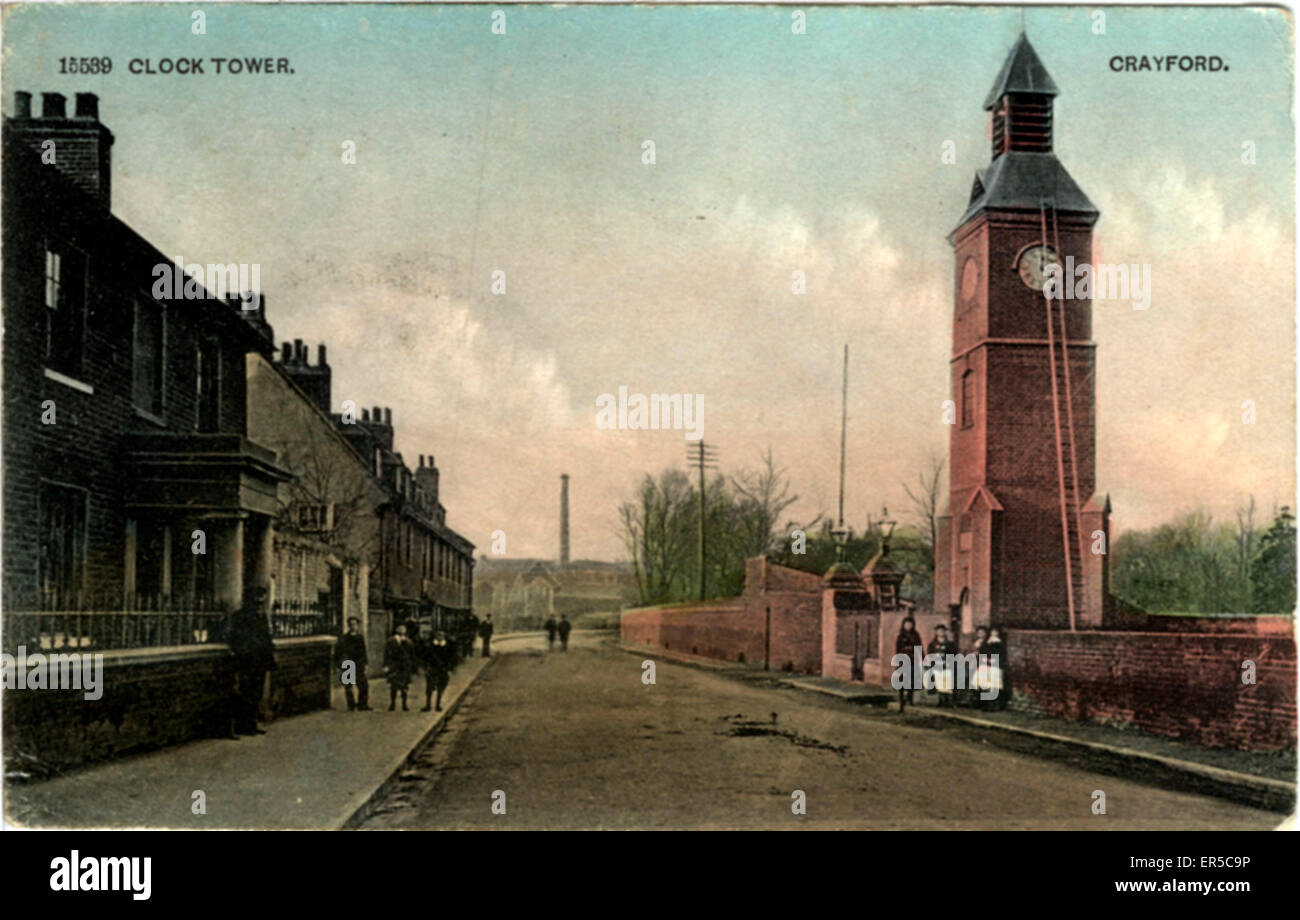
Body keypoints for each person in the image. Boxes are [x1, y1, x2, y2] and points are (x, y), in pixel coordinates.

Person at [228, 586, 276, 736]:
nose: (260, 603)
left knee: (256, 694)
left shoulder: (261, 617)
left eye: (261, 600)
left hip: (259, 661)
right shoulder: (239, 616)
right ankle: (242, 725)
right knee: (245, 693)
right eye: (257, 599)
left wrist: (270, 658)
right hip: (246, 661)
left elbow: (267, 639)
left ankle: (252, 723)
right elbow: (235, 639)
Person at [336, 616, 372, 711]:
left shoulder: (360, 638)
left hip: (359, 664)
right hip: (348, 664)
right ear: (348, 626)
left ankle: (362, 704)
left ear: (357, 626)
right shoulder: (343, 638)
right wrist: (339, 665)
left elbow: (363, 652)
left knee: (364, 686)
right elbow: (338, 652)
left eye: (355, 624)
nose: (353, 626)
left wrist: (365, 664)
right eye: (351, 624)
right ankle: (351, 705)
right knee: (348, 687)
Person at [415, 625, 453, 712]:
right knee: (429, 688)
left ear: (444, 636)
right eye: (438, 635)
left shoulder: (448, 646)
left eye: (441, 635)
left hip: (443, 669)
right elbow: (425, 657)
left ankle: (438, 705)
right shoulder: (430, 646)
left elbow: (451, 658)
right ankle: (428, 705)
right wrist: (426, 667)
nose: (439, 636)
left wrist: (449, 667)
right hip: (432, 669)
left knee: (441, 687)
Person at [384, 624, 417, 711]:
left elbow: (412, 655)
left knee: (405, 687)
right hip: (394, 666)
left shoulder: (408, 642)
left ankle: (404, 704)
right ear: (397, 630)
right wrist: (386, 665)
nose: (402, 631)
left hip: (405, 667)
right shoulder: (391, 641)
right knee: (393, 686)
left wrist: (413, 667)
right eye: (400, 629)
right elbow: (386, 654)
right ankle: (392, 704)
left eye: (403, 630)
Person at [894, 616, 924, 712]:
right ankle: (902, 700)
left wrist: (921, 659)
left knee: (912, 681)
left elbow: (919, 647)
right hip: (903, 661)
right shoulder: (900, 636)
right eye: (906, 624)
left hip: (913, 660)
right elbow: (897, 650)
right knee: (902, 681)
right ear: (903, 625)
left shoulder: (916, 635)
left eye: (910, 624)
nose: (908, 626)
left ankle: (910, 700)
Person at [927, 624, 958, 707]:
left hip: (947, 665)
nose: (941, 632)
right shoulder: (932, 644)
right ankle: (941, 700)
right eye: (939, 631)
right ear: (936, 632)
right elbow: (930, 654)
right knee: (939, 682)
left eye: (942, 631)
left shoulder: (950, 643)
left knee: (947, 682)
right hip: (937, 665)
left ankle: (947, 700)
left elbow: (954, 654)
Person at [981, 628, 1007, 711]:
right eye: (992, 631)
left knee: (994, 686)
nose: (994, 633)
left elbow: (1001, 653)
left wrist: (994, 659)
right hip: (986, 665)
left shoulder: (1000, 642)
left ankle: (994, 705)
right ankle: (986, 704)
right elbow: (982, 651)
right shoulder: (986, 641)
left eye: (996, 631)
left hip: (996, 665)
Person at [966, 626, 990, 708]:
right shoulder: (974, 642)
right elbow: (968, 651)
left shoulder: (988, 643)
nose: (981, 634)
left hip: (983, 664)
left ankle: (984, 703)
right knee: (974, 683)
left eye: (983, 633)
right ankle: (975, 702)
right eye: (979, 633)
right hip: (974, 664)